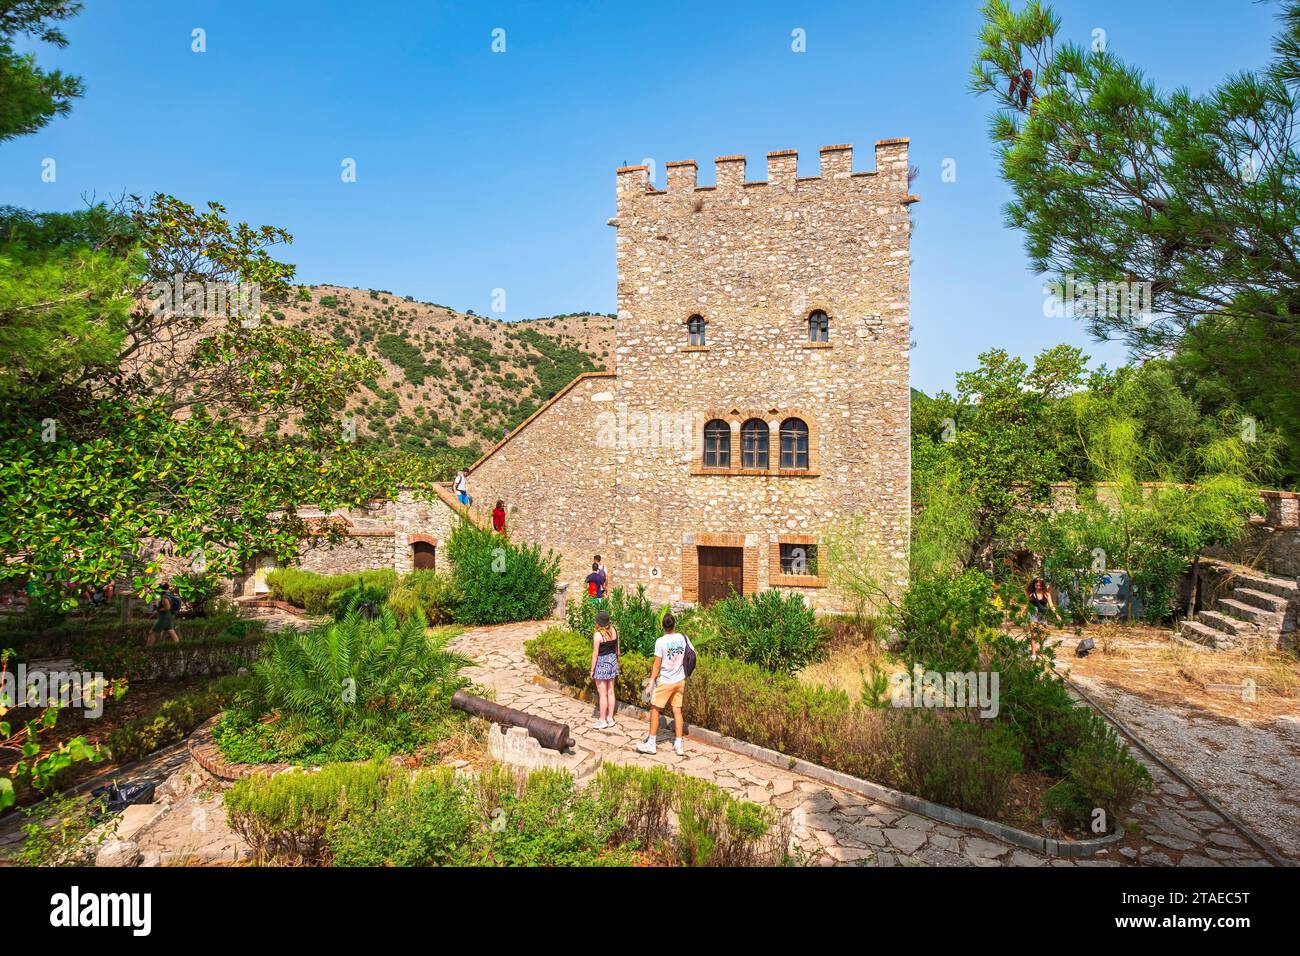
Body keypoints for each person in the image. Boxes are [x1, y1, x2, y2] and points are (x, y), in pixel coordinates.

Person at [636, 612, 689, 757]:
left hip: (666, 681)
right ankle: (678, 745)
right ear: (674, 624)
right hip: (680, 680)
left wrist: (651, 682)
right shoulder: (683, 638)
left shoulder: (660, 642)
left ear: (663, 626)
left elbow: (657, 664)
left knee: (655, 710)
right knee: (677, 711)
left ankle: (651, 743)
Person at [589, 609, 619, 729]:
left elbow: (595, 654)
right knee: (611, 691)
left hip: (602, 663)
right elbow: (618, 650)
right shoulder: (614, 630)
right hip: (612, 661)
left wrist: (592, 670)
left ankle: (602, 720)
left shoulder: (598, 635)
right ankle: (610, 718)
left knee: (602, 694)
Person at [1026, 577, 1057, 658]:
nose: (1038, 587)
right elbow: (1026, 604)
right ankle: (1033, 654)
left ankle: (1041, 646)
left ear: (1042, 585)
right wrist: (1021, 613)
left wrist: (1057, 614)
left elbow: (1051, 605)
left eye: (1039, 585)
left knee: (1043, 634)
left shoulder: (1046, 594)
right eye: (1036, 585)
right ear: (1034, 585)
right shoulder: (1030, 593)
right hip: (1032, 615)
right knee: (1034, 635)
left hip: (1042, 616)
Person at [148, 582, 180, 646]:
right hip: (169, 616)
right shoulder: (169, 595)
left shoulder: (165, 597)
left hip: (164, 617)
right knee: (171, 632)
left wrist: (158, 609)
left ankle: (148, 647)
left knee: (152, 633)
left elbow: (167, 607)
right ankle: (178, 646)